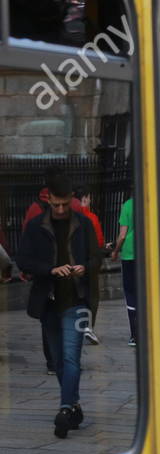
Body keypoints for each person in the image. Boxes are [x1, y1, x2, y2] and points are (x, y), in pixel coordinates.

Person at [16, 173, 102, 439]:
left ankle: (64, 409)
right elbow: (24, 261)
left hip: (76, 301)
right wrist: (51, 269)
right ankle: (74, 404)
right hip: (49, 302)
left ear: (71, 201)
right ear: (49, 199)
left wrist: (82, 268)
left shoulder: (84, 225)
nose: (61, 210)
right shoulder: (36, 227)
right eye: (56, 205)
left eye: (65, 204)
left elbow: (96, 259)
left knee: (70, 357)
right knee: (58, 361)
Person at [76, 188, 105, 344]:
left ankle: (79, 327)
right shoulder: (91, 218)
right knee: (92, 297)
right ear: (85, 198)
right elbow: (99, 241)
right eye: (89, 197)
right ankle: (88, 327)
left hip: (75, 263)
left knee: (79, 296)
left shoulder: (71, 217)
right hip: (90, 263)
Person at [112, 190, 139, 346]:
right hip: (145, 255)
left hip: (129, 254)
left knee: (130, 292)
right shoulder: (148, 205)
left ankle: (134, 334)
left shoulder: (127, 206)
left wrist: (115, 250)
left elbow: (122, 235)